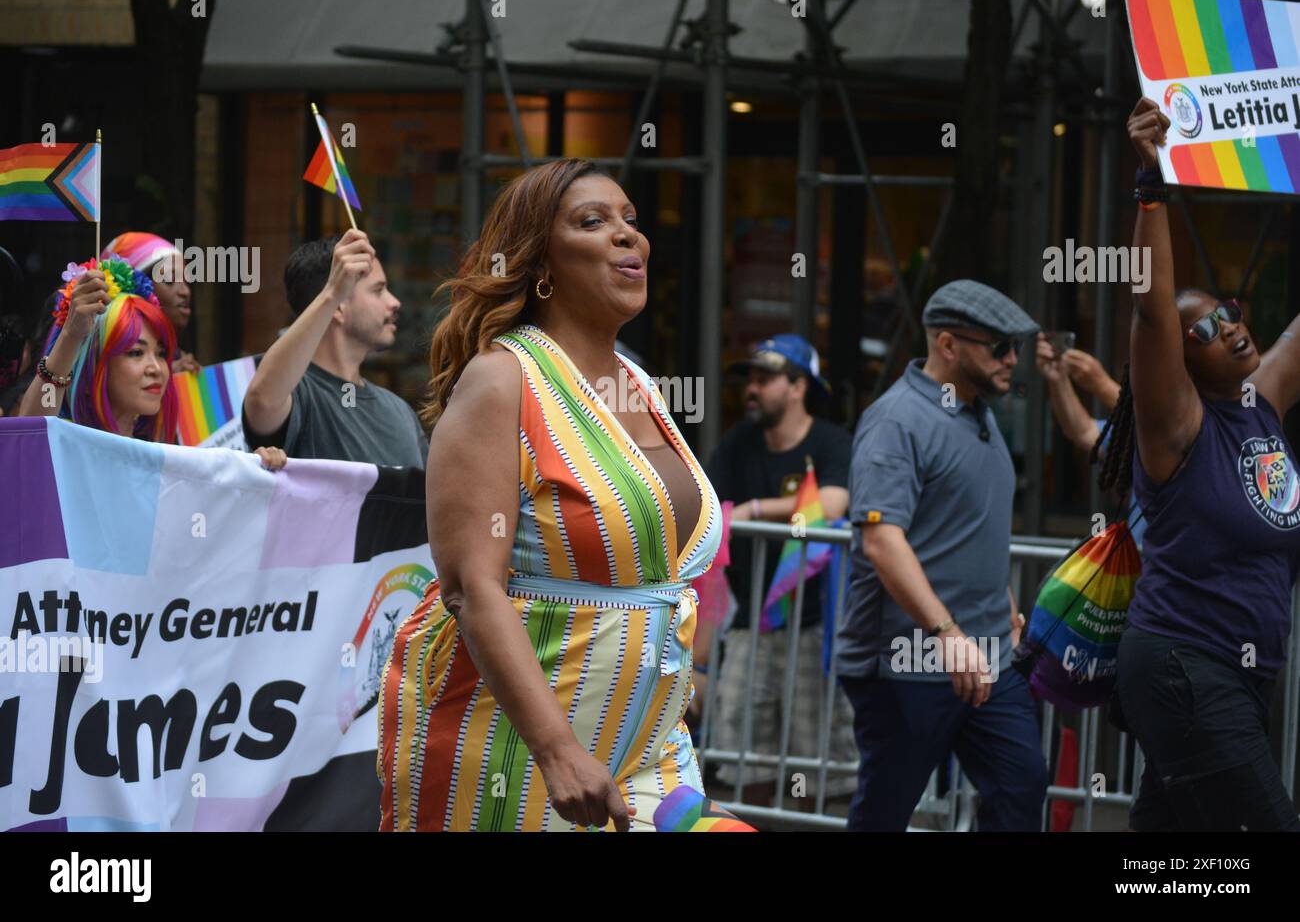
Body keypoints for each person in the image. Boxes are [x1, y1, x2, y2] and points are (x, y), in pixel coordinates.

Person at [378, 158, 721, 832]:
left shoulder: (640, 386)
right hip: (516, 751)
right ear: (540, 265)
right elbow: (471, 586)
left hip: (651, 748)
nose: (628, 236)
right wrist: (558, 750)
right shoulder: (503, 380)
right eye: (593, 222)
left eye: (630, 219)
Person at [1107, 97, 1300, 831]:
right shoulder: (1178, 427)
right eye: (1205, 331)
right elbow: (1153, 310)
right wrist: (1152, 188)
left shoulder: (1261, 401)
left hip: (1243, 677)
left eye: (1228, 313)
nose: (1228, 328)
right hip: (1187, 666)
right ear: (1181, 363)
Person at [837, 278, 1048, 831]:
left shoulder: (978, 413)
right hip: (907, 658)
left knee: (1022, 786)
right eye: (998, 346)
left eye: (1015, 348)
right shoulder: (897, 420)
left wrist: (1001, 605)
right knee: (887, 809)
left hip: (988, 656)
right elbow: (883, 539)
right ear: (949, 346)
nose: (1012, 360)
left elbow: (965, 528)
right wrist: (948, 634)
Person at [704, 333, 857, 804]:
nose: (752, 388)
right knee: (741, 760)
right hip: (750, 624)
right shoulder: (738, 443)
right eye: (750, 378)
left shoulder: (832, 442)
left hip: (814, 626)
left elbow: (832, 503)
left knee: (822, 768)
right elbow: (710, 504)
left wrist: (751, 510)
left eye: (765, 378)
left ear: (799, 387)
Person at [15, 256, 285, 469]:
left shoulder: (178, 446)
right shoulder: (65, 447)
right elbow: (30, 431)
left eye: (161, 352)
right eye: (135, 352)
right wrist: (72, 335)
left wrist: (255, 467)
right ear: (96, 365)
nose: (156, 368)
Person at [241, 232, 427, 466]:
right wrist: (332, 292)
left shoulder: (401, 413)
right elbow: (262, 401)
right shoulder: (298, 394)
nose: (394, 302)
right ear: (338, 307)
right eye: (378, 290)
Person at [1035, 335, 1146, 545]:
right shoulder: (1145, 434)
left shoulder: (1207, 423)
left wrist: (1101, 384)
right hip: (1142, 568)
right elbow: (1084, 432)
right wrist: (1057, 378)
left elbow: (1166, 429)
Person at [102, 232, 200, 374]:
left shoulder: (183, 361)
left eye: (187, 281)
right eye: (136, 353)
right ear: (136, 288)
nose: (185, 292)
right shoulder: (96, 355)